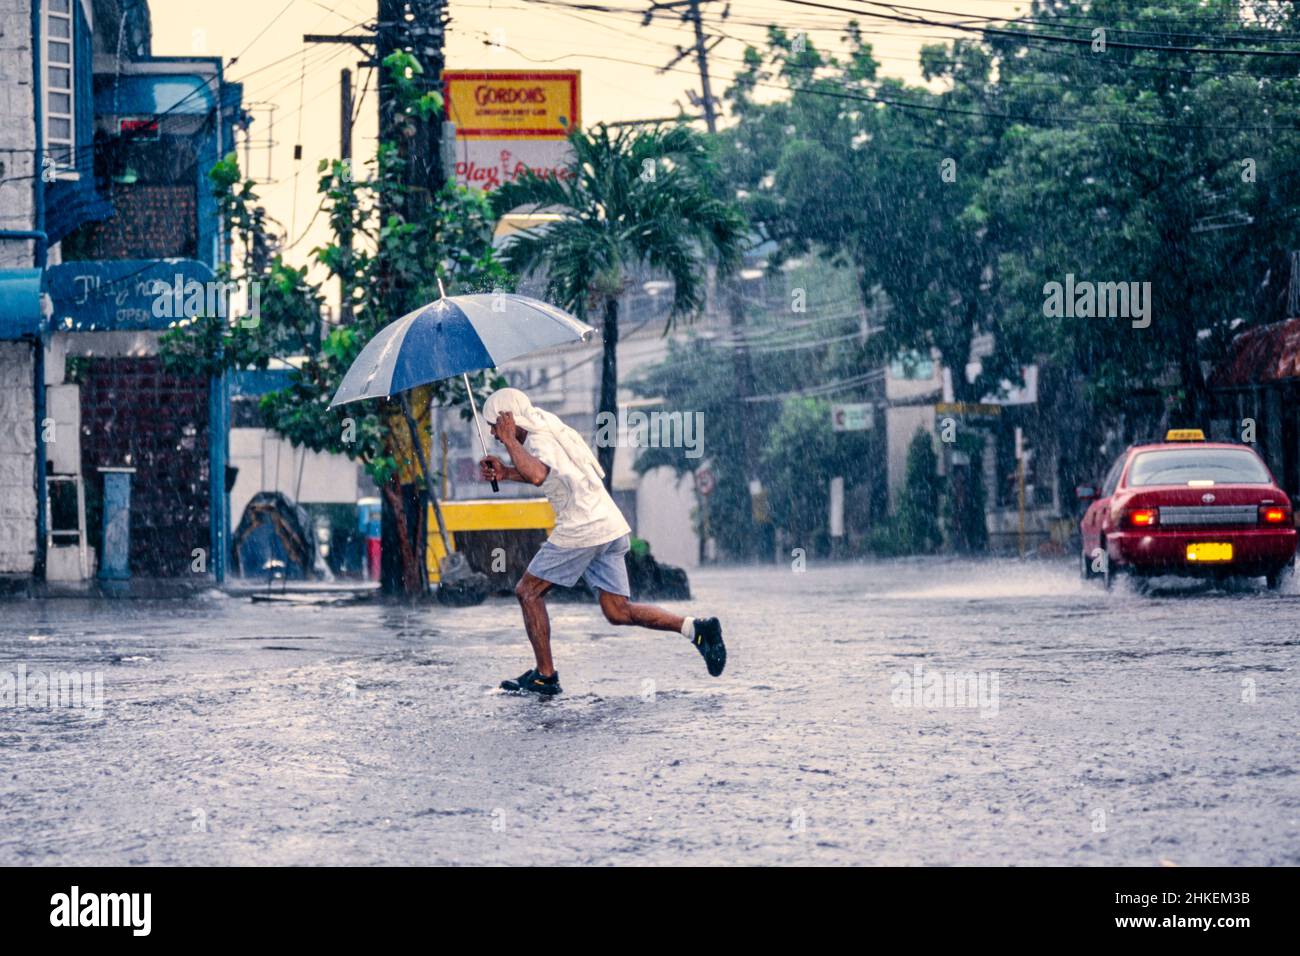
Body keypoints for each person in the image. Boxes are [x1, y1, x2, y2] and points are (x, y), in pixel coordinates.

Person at [478, 388, 725, 697]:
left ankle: (545, 676)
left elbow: (540, 475)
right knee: (617, 610)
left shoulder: (537, 440)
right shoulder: (547, 424)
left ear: (507, 418)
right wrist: (506, 472)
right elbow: (551, 474)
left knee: (528, 592)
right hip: (608, 524)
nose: (493, 433)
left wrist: (512, 443)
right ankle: (696, 629)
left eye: (494, 425)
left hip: (583, 528)